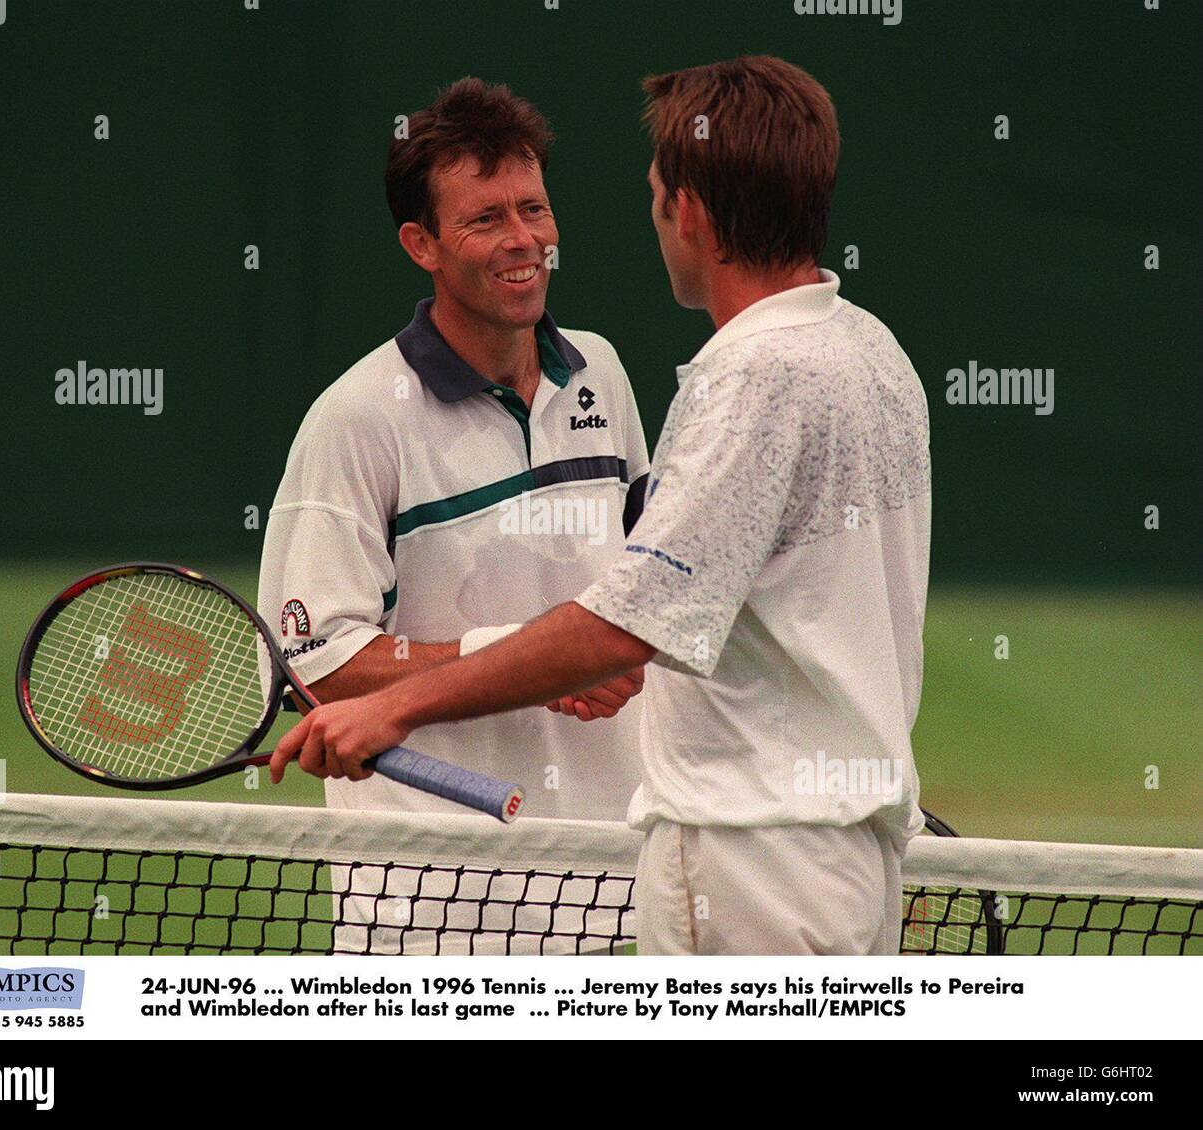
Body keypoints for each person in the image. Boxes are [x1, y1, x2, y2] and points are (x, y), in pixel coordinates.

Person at [272, 56, 931, 956]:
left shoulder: (700, 376)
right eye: (486, 218)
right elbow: (315, 660)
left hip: (707, 877)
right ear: (422, 244)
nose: (524, 238)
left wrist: (407, 704)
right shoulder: (869, 346)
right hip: (439, 919)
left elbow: (638, 616)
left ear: (687, 212)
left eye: (533, 209)